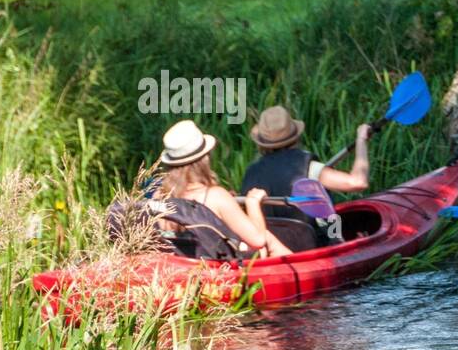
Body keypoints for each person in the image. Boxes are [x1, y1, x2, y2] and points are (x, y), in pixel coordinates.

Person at [154, 119, 290, 258]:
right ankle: (303, 268)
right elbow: (258, 240)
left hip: (180, 264)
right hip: (215, 268)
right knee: (267, 238)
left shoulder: (159, 195)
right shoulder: (216, 196)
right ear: (204, 159)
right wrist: (252, 203)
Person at [242, 105, 372, 198]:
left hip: (270, 236)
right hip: (309, 236)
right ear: (296, 137)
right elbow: (358, 182)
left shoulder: (251, 173)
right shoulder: (306, 167)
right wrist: (361, 140)